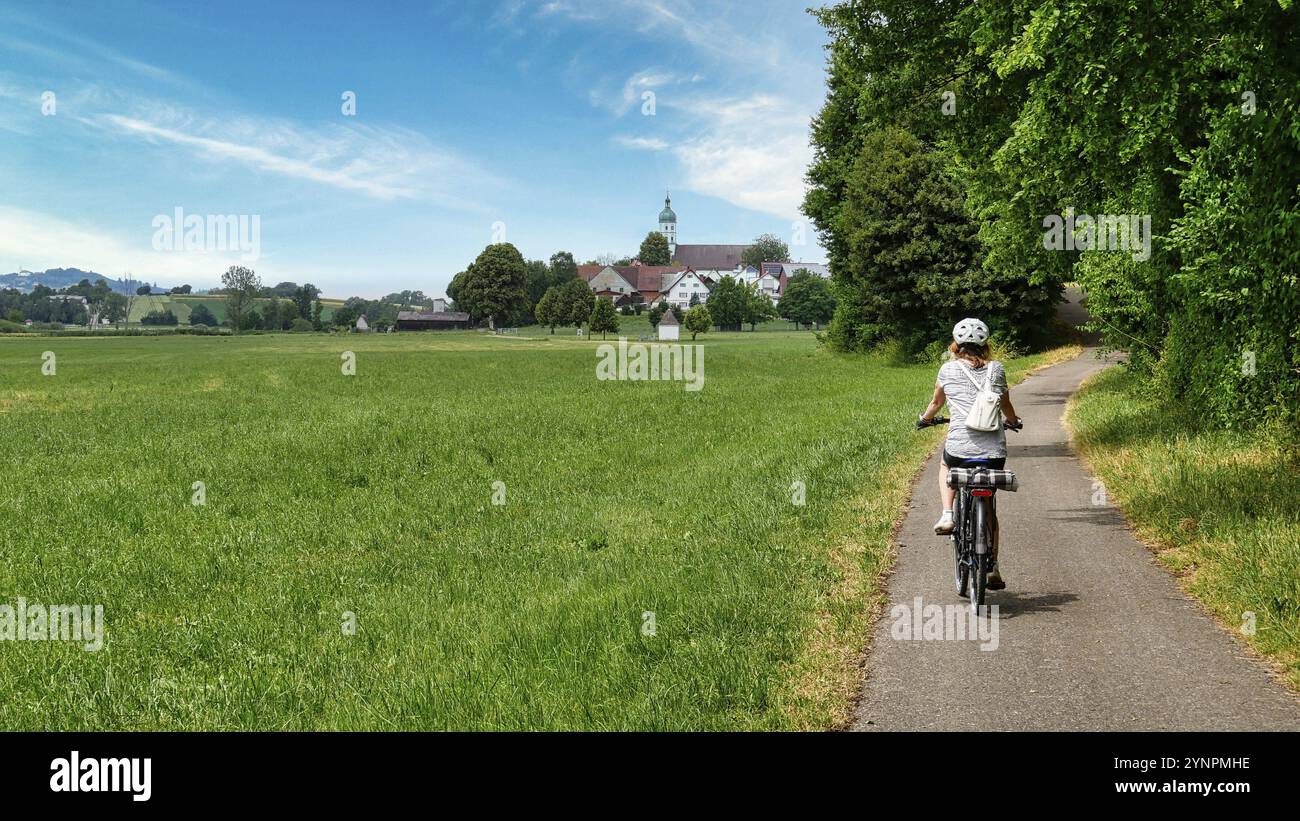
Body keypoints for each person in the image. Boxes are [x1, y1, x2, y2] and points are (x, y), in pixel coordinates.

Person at [916, 318, 1020, 590]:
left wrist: (925, 419)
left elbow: (936, 403)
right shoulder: (997, 369)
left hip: (960, 447)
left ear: (956, 345)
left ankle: (948, 513)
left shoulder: (947, 370)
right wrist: (1014, 420)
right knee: (991, 504)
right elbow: (1006, 405)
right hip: (993, 451)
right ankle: (994, 566)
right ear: (985, 346)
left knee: (945, 466)